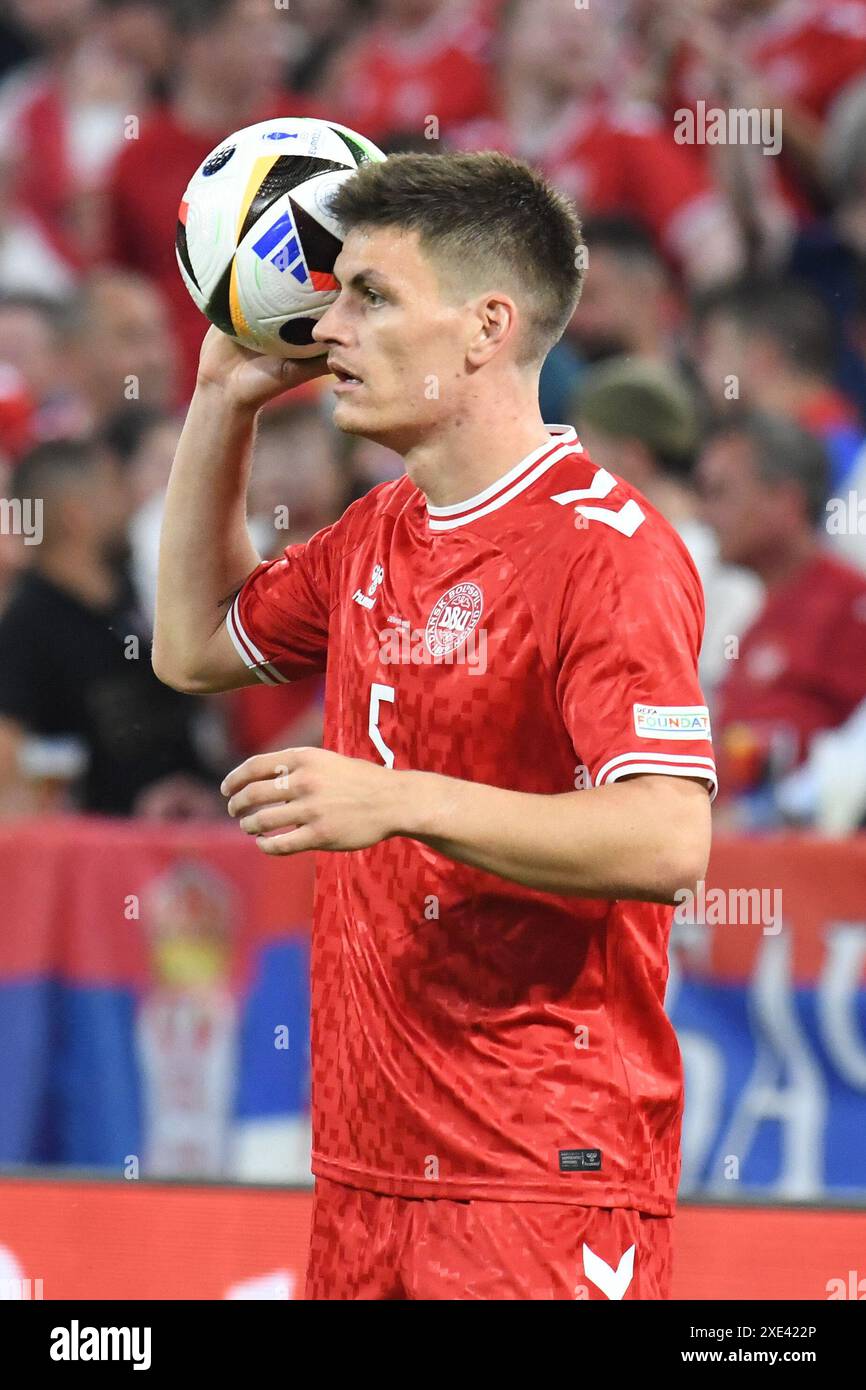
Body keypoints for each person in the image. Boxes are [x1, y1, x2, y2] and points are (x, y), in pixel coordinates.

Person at [153, 151, 714, 1301]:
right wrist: (219, 397)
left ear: (484, 328)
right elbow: (193, 645)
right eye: (332, 289)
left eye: (371, 296)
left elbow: (666, 841)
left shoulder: (607, 551)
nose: (327, 325)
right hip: (363, 1167)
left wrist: (396, 796)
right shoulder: (378, 530)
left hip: (537, 1171)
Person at [104, 0, 320, 397]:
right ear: (198, 44)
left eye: (275, 28)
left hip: (303, 385)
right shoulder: (136, 161)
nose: (274, 46)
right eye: (253, 31)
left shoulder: (315, 138)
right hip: (190, 395)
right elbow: (116, 287)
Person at [0, 437, 221, 817]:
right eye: (114, 488)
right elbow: (9, 764)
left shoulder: (132, 594)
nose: (130, 503)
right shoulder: (25, 626)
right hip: (101, 857)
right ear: (76, 515)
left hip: (195, 830)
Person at [452, 0, 743, 286]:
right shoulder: (466, 150)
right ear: (506, 36)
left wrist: (689, 328)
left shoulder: (627, 134)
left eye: (590, 25)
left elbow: (714, 247)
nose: (578, 35)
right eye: (558, 22)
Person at [697, 410, 866, 818]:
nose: (706, 516)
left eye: (721, 493)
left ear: (785, 502)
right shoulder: (745, 613)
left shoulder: (851, 610)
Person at [572, 356, 762, 698]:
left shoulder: (702, 555)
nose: (575, 462)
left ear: (632, 455)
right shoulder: (632, 540)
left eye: (587, 444)